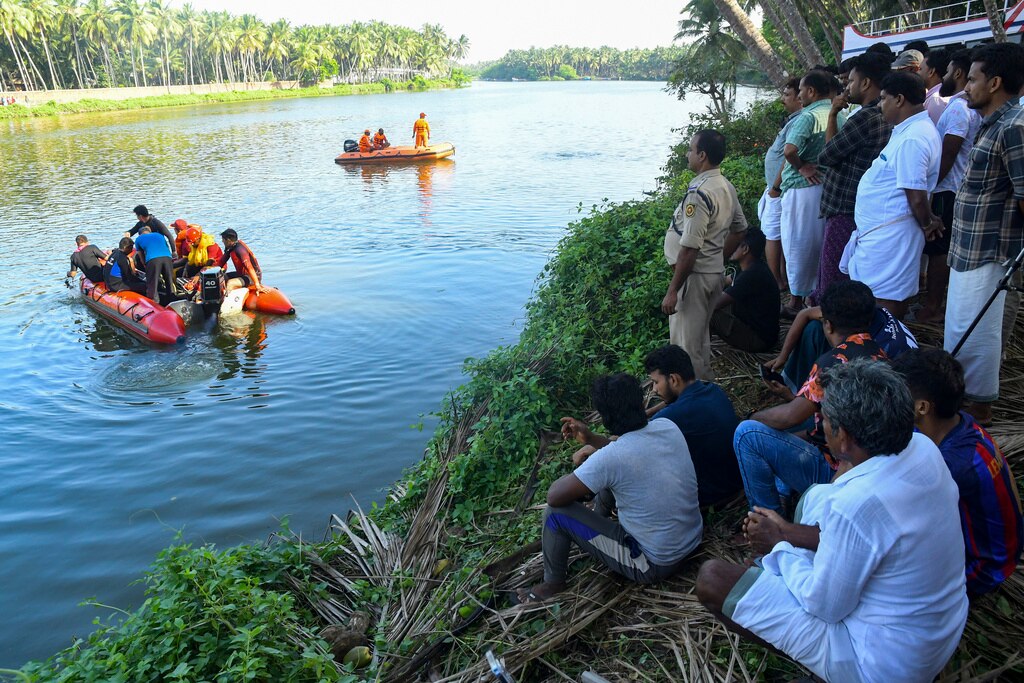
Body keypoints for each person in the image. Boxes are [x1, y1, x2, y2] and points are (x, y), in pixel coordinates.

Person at [698, 360, 969, 683]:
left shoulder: (856, 505)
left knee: (712, 580)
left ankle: (825, 672)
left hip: (883, 666)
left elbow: (824, 606)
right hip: (940, 633)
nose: (820, 425)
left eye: (824, 419)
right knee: (815, 498)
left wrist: (779, 545)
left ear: (845, 436)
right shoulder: (922, 446)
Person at [516, 373, 702, 604]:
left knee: (555, 514)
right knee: (611, 478)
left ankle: (553, 583)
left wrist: (584, 469)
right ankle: (597, 525)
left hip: (654, 563)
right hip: (692, 538)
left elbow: (554, 497)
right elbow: (630, 452)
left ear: (605, 417)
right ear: (640, 402)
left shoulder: (611, 458)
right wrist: (591, 439)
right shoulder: (666, 426)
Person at [733, 280, 886, 515]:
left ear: (828, 325)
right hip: (871, 468)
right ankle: (784, 489)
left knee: (746, 434)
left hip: (837, 472)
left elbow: (789, 417)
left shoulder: (832, 363)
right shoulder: (881, 355)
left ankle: (766, 518)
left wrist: (751, 416)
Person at [893, 349, 1023, 597]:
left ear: (922, 407)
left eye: (899, 394)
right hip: (996, 548)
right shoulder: (959, 422)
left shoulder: (950, 466)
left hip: (982, 568)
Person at [944, 42, 1024, 426]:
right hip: (969, 248)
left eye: (973, 79)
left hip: (990, 251)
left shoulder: (1014, 128)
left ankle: (978, 411)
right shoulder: (994, 124)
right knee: (963, 329)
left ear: (994, 83)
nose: (966, 87)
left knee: (980, 334)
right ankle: (964, 400)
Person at [845, 71, 942, 319]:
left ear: (899, 99)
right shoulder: (907, 130)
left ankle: (886, 338)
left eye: (883, 98)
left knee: (887, 297)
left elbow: (916, 195)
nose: (879, 105)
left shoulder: (914, 137)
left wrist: (927, 223)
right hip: (881, 233)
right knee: (874, 293)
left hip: (891, 235)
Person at [661, 129, 748, 380]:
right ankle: (705, 388)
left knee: (686, 349)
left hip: (694, 279)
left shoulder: (699, 193)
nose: (687, 155)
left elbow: (690, 247)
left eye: (690, 150)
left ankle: (696, 395)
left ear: (702, 155)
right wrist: (717, 259)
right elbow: (740, 229)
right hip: (711, 274)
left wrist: (673, 290)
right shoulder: (725, 186)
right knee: (699, 340)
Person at [812, 53, 893, 305]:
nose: (846, 88)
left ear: (866, 83)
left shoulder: (864, 117)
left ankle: (830, 320)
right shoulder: (882, 115)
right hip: (858, 207)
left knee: (833, 276)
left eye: (851, 81)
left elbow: (827, 155)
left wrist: (833, 114)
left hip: (843, 207)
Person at [917, 49, 982, 323]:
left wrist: (930, 188)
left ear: (957, 73)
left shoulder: (958, 108)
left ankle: (932, 307)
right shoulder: (968, 107)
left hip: (947, 188)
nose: (943, 76)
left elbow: (948, 153)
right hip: (956, 186)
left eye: (947, 71)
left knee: (939, 249)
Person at [644, 345, 743, 508]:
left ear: (673, 379)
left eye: (656, 382)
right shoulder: (713, 390)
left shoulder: (671, 417)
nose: (654, 389)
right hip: (737, 478)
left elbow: (633, 445)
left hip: (714, 494)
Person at [766, 289, 917, 393]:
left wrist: (793, 401)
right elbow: (805, 313)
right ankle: (793, 384)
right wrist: (782, 357)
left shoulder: (878, 354)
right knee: (814, 328)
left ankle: (801, 399)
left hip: (886, 399)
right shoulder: (863, 311)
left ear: (830, 326)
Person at [779, 70, 840, 316]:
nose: (799, 95)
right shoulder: (837, 113)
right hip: (824, 186)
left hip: (801, 189)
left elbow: (789, 150)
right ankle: (812, 295)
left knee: (797, 244)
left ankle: (796, 301)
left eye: (802, 90)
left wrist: (801, 166)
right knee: (817, 243)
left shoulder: (808, 116)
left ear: (811, 91)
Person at [761, 78, 802, 291]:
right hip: (777, 187)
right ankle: (782, 279)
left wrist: (776, 187)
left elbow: (789, 155)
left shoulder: (799, 121)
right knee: (780, 233)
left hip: (779, 189)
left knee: (773, 234)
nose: (782, 99)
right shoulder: (794, 119)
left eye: (787, 95)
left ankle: (776, 282)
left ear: (800, 97)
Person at [711, 228, 780, 352]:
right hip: (761, 331)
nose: (729, 247)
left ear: (745, 249)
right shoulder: (753, 266)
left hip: (759, 341)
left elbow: (714, 304)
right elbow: (725, 280)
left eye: (734, 244)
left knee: (709, 313)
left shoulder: (751, 275)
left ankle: (698, 351)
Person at [216, 229, 266, 293]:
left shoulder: (240, 250)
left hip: (252, 277)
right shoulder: (231, 247)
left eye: (223, 239)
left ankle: (228, 298)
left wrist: (257, 285)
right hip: (241, 274)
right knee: (221, 277)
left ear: (228, 240)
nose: (222, 241)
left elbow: (249, 268)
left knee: (230, 283)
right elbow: (221, 263)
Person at [134, 226, 176, 303]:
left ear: (140, 234)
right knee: (169, 281)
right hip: (167, 257)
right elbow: (166, 246)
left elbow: (140, 255)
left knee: (152, 283)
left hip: (153, 260)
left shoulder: (138, 239)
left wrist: (145, 264)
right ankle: (172, 300)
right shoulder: (159, 235)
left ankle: (154, 302)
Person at [921, 48, 952, 123]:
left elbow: (936, 128)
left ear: (931, 72)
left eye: (920, 69)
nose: (916, 73)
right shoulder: (938, 96)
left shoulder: (935, 100)